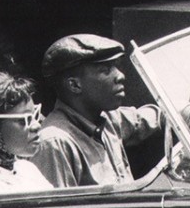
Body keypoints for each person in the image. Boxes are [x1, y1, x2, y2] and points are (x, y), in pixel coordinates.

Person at [33, 34, 161, 188]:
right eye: (105, 70)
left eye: (116, 67)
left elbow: (152, 118)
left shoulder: (107, 117)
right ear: (74, 85)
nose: (120, 76)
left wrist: (187, 110)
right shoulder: (55, 143)